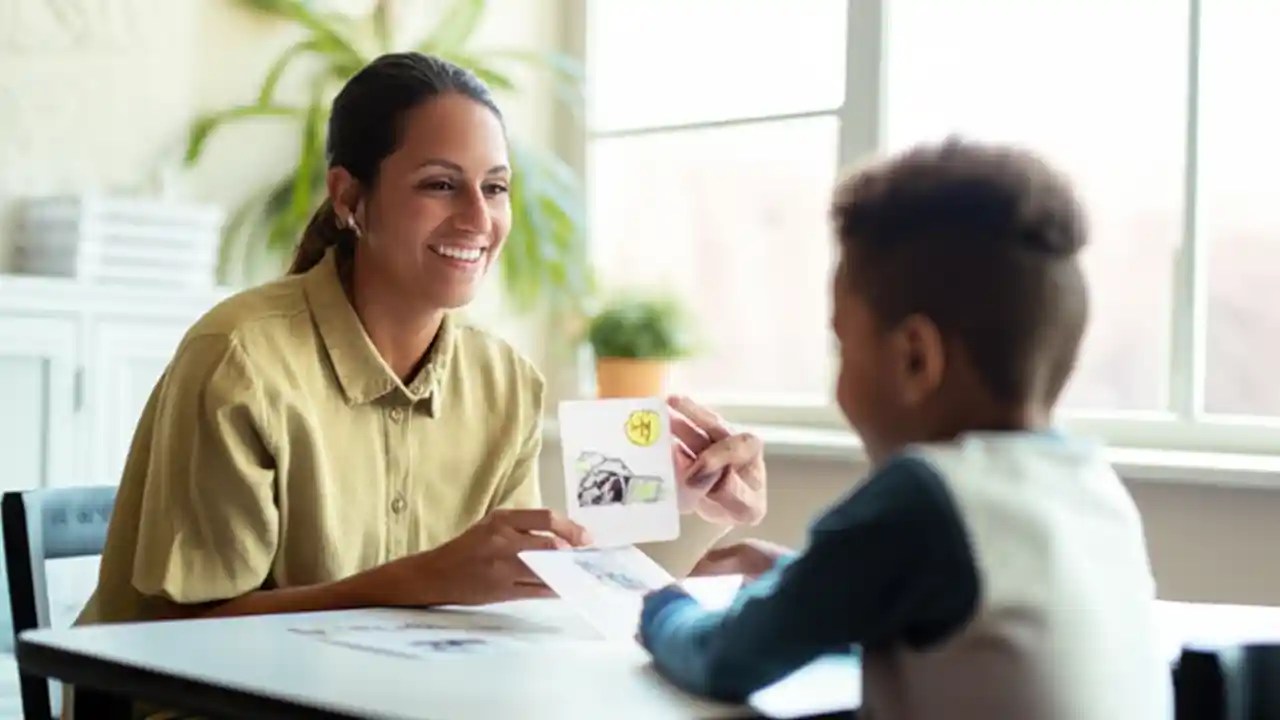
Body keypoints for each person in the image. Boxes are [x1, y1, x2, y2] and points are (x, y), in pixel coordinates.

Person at [74, 52, 765, 635]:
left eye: (495, 188)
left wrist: (697, 513)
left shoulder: (505, 383)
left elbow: (530, 600)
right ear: (349, 197)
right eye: (441, 185)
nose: (478, 218)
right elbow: (181, 637)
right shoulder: (240, 359)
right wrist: (423, 579)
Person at [638, 138, 1171, 719]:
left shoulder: (924, 498)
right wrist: (801, 581)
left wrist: (661, 606)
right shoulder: (1089, 485)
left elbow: (723, 660)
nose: (838, 384)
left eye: (842, 346)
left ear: (916, 358)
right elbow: (939, 610)